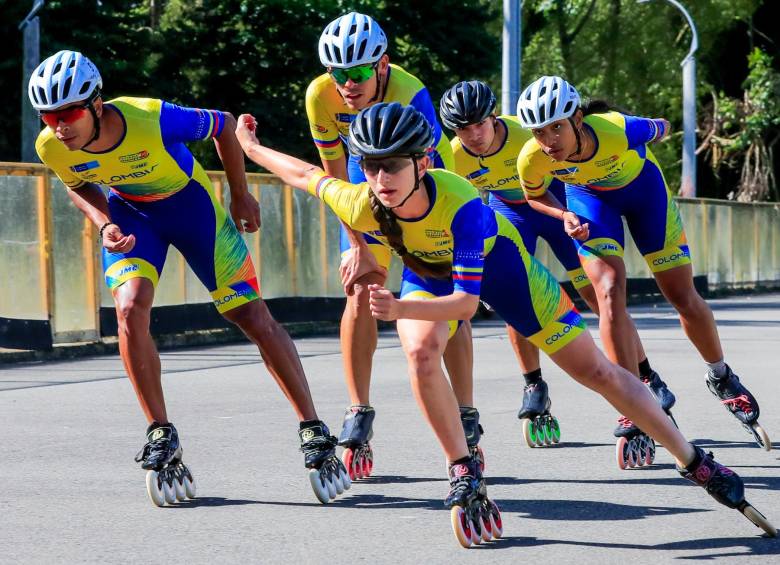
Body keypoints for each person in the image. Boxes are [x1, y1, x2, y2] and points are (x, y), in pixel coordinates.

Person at [236, 102, 775, 543]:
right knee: (421, 354)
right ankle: (463, 470)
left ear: (423, 162)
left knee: (599, 375)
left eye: (392, 166)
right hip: (429, 277)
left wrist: (399, 309)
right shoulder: (362, 200)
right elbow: (306, 175)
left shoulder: (464, 205)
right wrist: (252, 148)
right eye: (371, 167)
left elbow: (467, 310)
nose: (380, 180)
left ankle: (696, 460)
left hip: (505, 271)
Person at [30, 49, 350, 506]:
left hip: (191, 209)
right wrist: (104, 223)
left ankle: (313, 428)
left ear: (97, 104)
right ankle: (161, 431)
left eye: (69, 113)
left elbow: (223, 124)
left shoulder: (150, 117)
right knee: (129, 308)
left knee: (251, 316)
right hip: (132, 216)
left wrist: (240, 196)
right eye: (47, 116)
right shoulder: (51, 145)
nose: (59, 126)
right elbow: (76, 182)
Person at [515, 76, 770, 450]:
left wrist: (658, 128)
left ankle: (721, 375)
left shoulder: (619, 129)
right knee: (608, 291)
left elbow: (661, 127)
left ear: (578, 119)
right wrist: (563, 215)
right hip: (590, 202)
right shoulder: (532, 157)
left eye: (557, 128)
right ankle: (630, 402)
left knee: (682, 296)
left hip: (645, 194)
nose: (549, 140)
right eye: (539, 132)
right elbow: (533, 194)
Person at [441, 80, 674, 449]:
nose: (473, 136)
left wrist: (569, 213)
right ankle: (533, 383)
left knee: (600, 298)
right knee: (515, 299)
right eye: (463, 130)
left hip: (558, 206)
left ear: (494, 117)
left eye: (479, 125)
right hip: (508, 211)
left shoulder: (528, 135)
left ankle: (645, 376)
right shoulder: (453, 156)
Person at [305, 12, 474, 478]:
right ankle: (358, 408)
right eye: (338, 74)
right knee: (360, 289)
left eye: (358, 73)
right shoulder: (320, 95)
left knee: (447, 297)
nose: (347, 84)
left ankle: (466, 409)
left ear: (382, 65)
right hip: (366, 181)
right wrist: (357, 242)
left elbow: (429, 175)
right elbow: (334, 176)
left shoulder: (412, 93)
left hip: (419, 184)